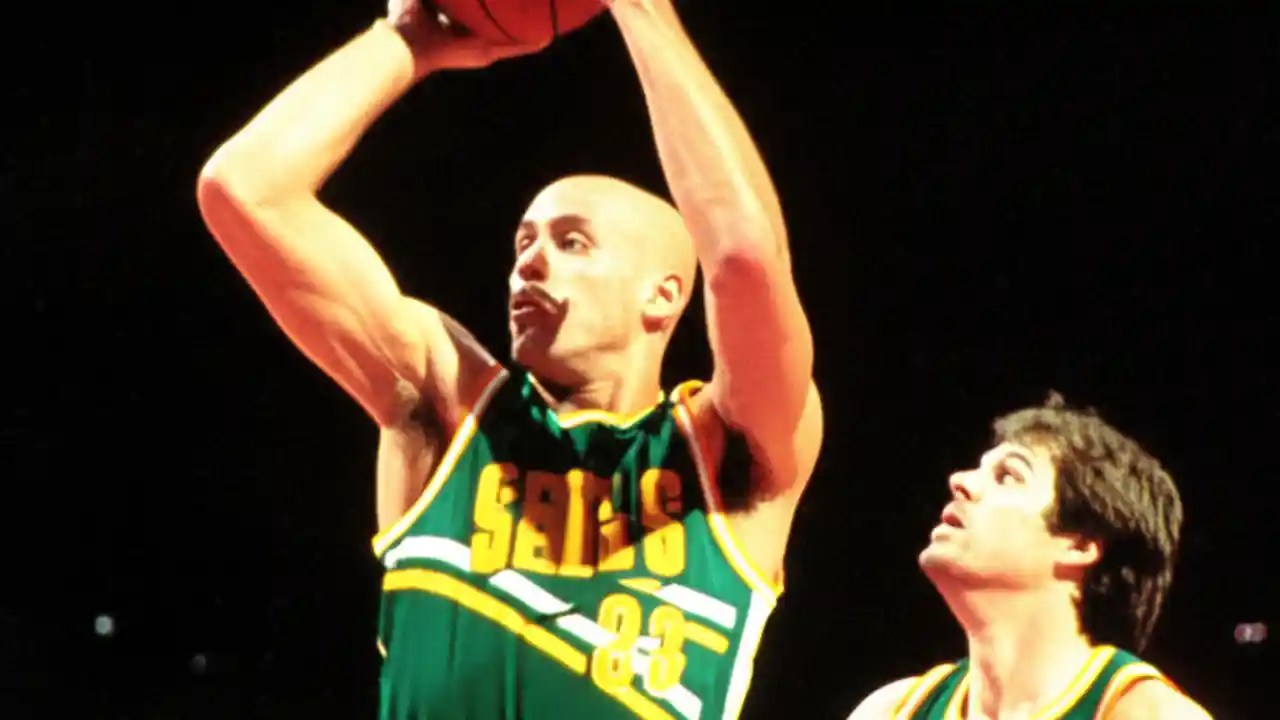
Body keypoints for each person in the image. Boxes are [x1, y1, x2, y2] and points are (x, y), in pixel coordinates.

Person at [195, 0, 822, 718]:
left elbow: (746, 257)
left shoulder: (725, 452)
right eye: (523, 244)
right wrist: (405, 41)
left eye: (571, 242)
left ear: (665, 295)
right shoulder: (453, 407)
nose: (528, 264)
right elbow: (242, 190)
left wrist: (643, 10)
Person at [847, 394, 1212, 719]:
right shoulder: (892, 710)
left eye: (1008, 476)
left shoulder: (1148, 713)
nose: (961, 480)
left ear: (1080, 543)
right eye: (980, 468)